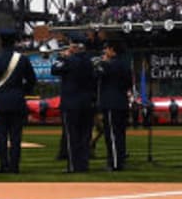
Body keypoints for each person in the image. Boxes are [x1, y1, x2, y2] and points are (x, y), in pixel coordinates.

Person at [0, 27, 37, 174]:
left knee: (1, 137)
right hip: (17, 101)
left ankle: (3, 165)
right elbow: (32, 80)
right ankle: (14, 166)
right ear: (14, 42)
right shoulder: (22, 59)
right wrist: (22, 91)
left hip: (0, 102)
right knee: (16, 137)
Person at [53, 34, 97, 173]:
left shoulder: (70, 61)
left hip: (71, 102)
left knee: (72, 135)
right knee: (85, 135)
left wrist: (62, 57)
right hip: (87, 102)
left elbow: (54, 70)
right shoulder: (90, 61)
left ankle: (73, 166)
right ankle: (84, 165)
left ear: (74, 46)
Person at [96, 38, 133, 172]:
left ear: (112, 50)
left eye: (106, 49)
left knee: (111, 135)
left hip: (111, 103)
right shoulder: (125, 64)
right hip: (122, 102)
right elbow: (128, 83)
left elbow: (98, 75)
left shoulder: (108, 65)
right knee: (120, 134)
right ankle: (120, 160)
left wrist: (103, 63)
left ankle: (115, 163)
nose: (104, 51)